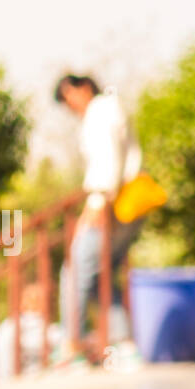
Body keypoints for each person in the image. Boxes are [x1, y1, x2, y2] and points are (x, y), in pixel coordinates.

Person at [53, 74, 144, 364]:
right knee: (100, 276)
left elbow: (107, 161)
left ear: (83, 88)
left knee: (75, 272)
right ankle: (123, 346)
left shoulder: (100, 110)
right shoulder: (110, 108)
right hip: (122, 205)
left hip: (107, 205)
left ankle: (74, 347)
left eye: (69, 99)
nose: (71, 108)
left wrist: (97, 205)